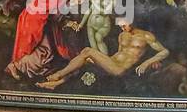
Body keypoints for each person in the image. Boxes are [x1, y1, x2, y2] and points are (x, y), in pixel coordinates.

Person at [37, 18, 170, 90]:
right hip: (112, 63)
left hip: (119, 69)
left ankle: (58, 75)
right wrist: (103, 61)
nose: (122, 28)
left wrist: (147, 63)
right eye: (121, 26)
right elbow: (119, 53)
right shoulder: (122, 35)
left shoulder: (146, 36)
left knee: (87, 51)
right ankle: (58, 83)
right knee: (84, 60)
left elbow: (165, 51)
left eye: (124, 25)